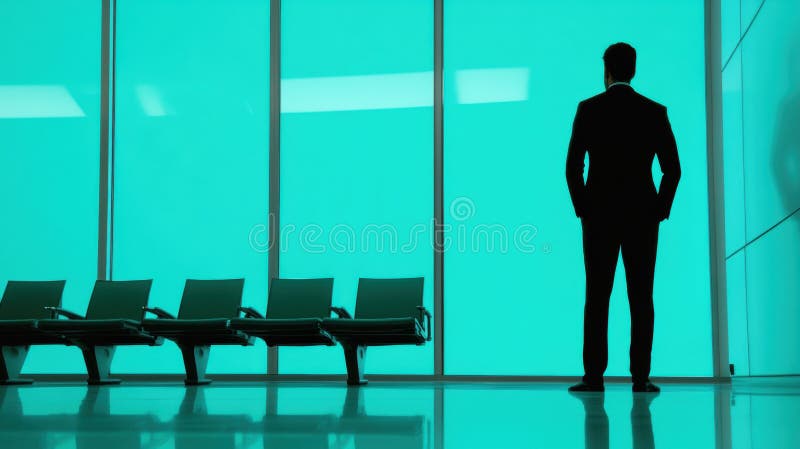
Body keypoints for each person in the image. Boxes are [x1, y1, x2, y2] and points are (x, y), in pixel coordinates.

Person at [565, 42, 681, 393]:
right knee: (641, 297)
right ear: (633, 69)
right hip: (642, 218)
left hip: (598, 218)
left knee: (597, 297)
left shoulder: (588, 109)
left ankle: (594, 377)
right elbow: (672, 170)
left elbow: (572, 168)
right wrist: (659, 210)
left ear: (607, 71)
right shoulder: (654, 111)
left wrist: (585, 208)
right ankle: (640, 378)